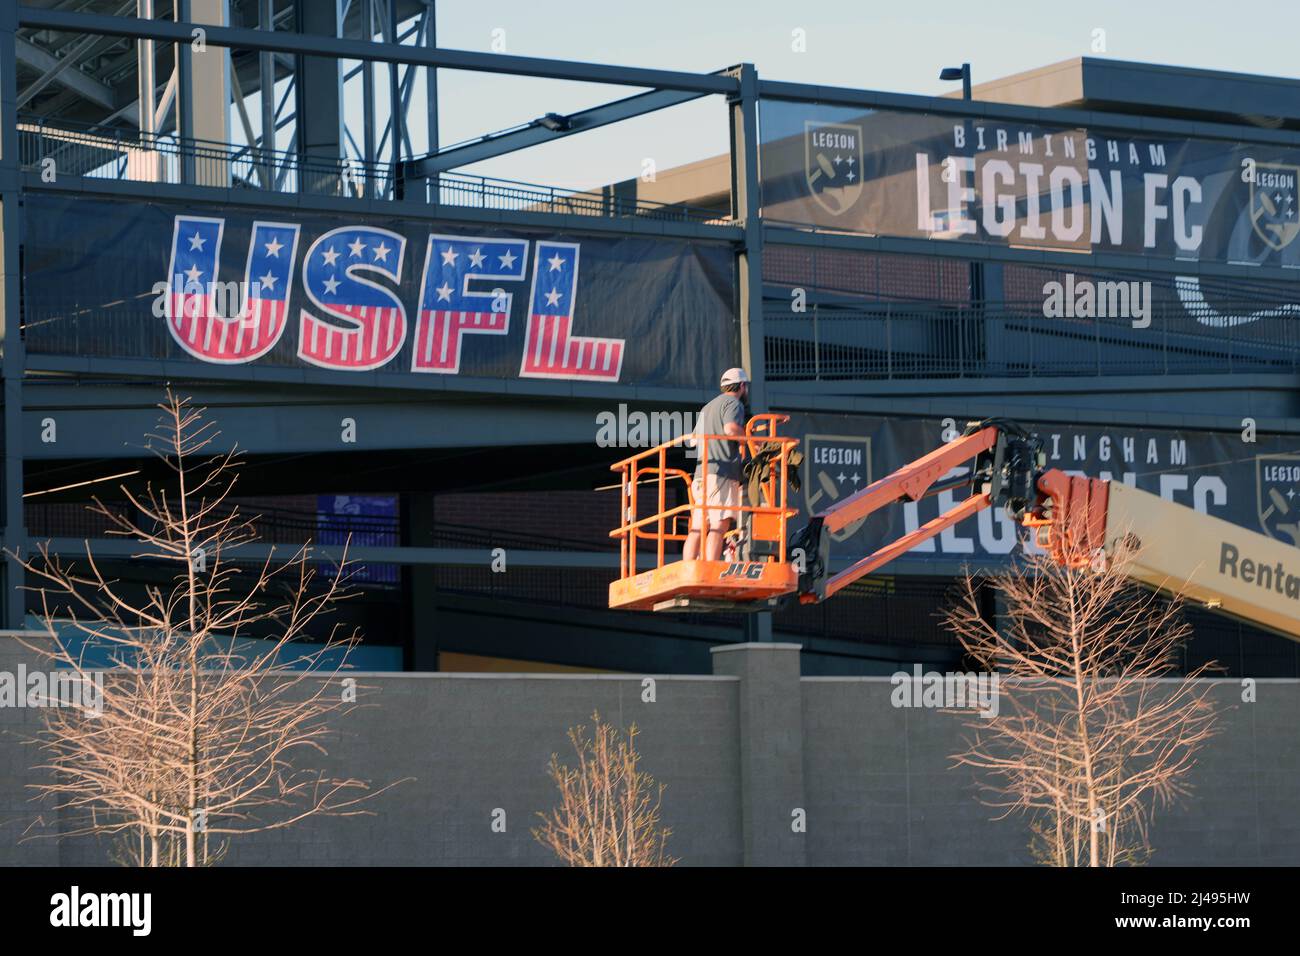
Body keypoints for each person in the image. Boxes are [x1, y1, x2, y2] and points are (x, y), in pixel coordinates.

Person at [683, 367, 750, 561]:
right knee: (719, 525)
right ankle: (710, 567)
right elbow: (730, 429)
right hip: (720, 474)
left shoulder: (708, 407)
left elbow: (693, 440)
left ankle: (689, 568)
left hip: (700, 476)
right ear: (742, 386)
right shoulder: (734, 403)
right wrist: (751, 440)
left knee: (697, 527)